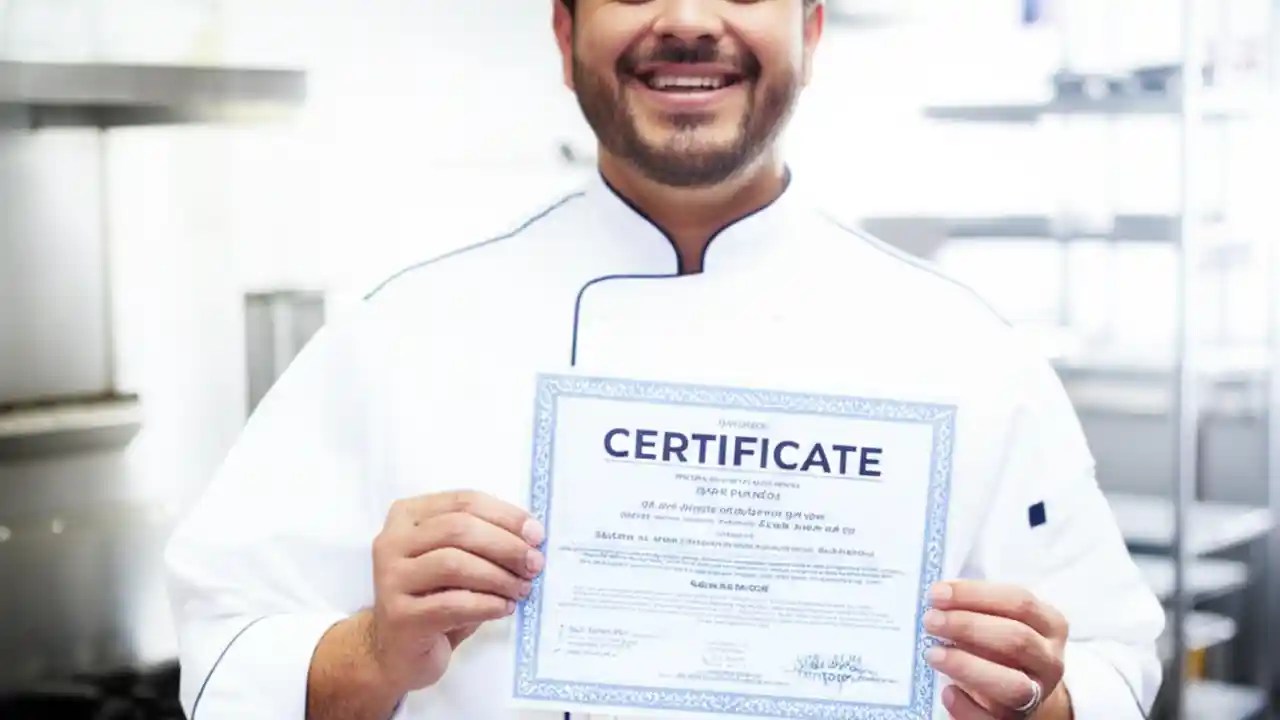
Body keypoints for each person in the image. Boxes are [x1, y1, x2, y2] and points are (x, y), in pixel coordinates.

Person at [163, 1, 1166, 718]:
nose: (687, 19)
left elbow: (1113, 655)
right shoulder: (396, 331)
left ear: (809, 32)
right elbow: (224, 659)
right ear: (563, 35)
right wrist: (378, 651)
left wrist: (1040, 701)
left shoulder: (967, 348)